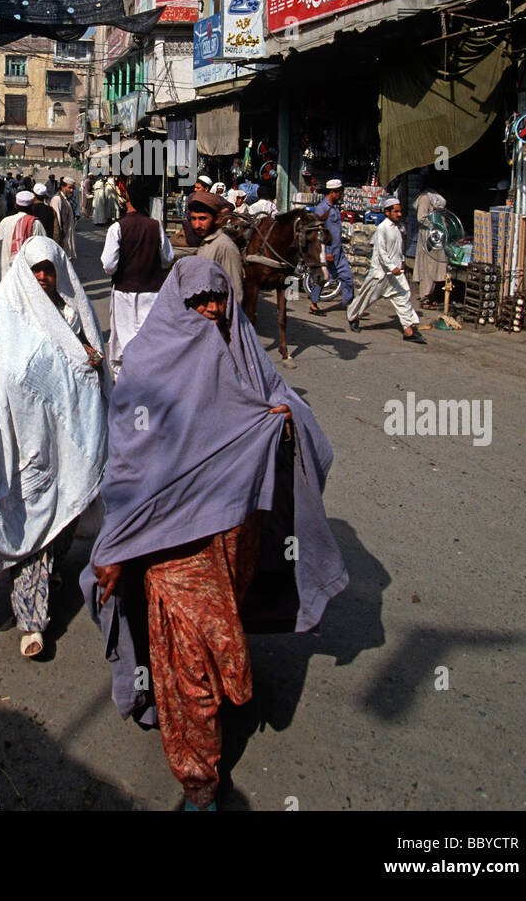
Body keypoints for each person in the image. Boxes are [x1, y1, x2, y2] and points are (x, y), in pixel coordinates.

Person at [82, 257, 347, 810]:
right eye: (196, 300)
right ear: (174, 304)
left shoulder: (244, 354)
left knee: (215, 637)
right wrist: (114, 545)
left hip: (232, 538)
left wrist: (282, 419)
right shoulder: (148, 366)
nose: (209, 309)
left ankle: (214, 718)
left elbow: (293, 412)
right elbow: (128, 464)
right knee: (186, 659)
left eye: (218, 299)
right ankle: (198, 777)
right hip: (170, 550)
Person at [0, 238, 111, 658]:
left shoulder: (73, 315)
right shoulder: (3, 314)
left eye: (49, 270)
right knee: (32, 532)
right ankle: (32, 622)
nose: (42, 277)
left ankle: (49, 576)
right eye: (35, 269)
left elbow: (91, 365)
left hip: (67, 445)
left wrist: (89, 360)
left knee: (63, 517)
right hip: (21, 446)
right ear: (23, 271)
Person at [100, 177, 175, 371]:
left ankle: (123, 376)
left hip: (124, 292)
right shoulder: (155, 226)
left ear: (127, 198)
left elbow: (109, 265)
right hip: (152, 292)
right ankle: (149, 374)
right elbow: (168, 258)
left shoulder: (117, 227)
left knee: (123, 338)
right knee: (149, 336)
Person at [347, 198, 425, 343]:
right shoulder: (382, 229)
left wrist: (401, 262)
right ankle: (352, 317)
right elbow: (381, 252)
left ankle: (408, 330)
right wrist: (392, 267)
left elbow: (398, 249)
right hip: (381, 274)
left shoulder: (397, 228)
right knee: (366, 297)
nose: (399, 214)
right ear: (387, 212)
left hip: (395, 274)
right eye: (396, 211)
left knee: (403, 295)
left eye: (400, 211)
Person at [185, 191, 244, 303]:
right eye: (193, 219)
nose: (197, 225)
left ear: (216, 219)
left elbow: (235, 292)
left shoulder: (224, 246)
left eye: (202, 219)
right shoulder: (206, 243)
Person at [309, 178, 354, 317]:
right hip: (328, 252)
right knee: (324, 277)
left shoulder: (334, 208)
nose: (341, 195)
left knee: (347, 277)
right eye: (339, 192)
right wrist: (327, 251)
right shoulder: (322, 208)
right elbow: (319, 232)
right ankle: (314, 304)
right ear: (332, 192)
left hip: (337, 251)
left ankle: (350, 306)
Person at [0, 190, 46, 279]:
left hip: (5, 277)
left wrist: (1, 258)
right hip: (25, 278)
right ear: (32, 207)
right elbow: (43, 250)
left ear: (16, 205)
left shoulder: (5, 222)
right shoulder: (35, 224)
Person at [413, 180, 448, 309]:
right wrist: (435, 224)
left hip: (437, 237)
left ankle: (432, 296)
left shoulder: (436, 199)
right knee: (427, 268)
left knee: (435, 267)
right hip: (429, 237)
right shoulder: (425, 198)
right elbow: (421, 217)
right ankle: (425, 297)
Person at [51, 177, 78, 260]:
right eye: (69, 188)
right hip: (63, 241)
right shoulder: (57, 199)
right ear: (62, 187)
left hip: (68, 239)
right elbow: (56, 223)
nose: (71, 190)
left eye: (73, 188)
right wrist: (59, 241)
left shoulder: (66, 199)